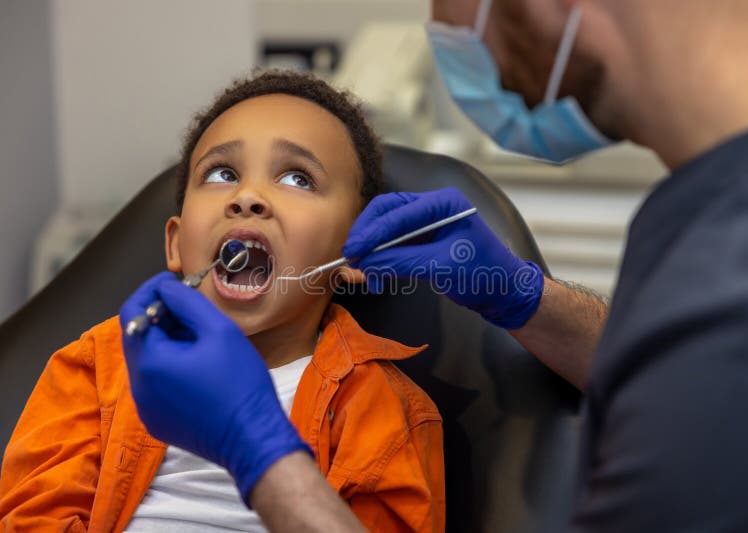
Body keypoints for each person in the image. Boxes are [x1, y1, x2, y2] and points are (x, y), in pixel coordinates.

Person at [114, 0, 748, 531]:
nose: (446, 31)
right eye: (222, 173)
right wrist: (527, 299)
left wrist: (262, 458)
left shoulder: (747, 303)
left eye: (451, 2)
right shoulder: (723, 234)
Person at [0, 70, 445, 532]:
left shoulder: (381, 408)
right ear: (175, 244)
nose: (247, 197)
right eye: (222, 173)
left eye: (297, 178)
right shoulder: (99, 366)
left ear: (357, 253)